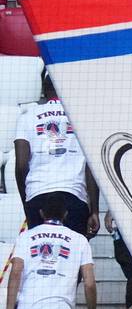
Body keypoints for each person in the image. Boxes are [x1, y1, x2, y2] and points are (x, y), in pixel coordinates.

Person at [15, 74, 99, 240]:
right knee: (72, 258)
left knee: (39, 259)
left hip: (38, 195)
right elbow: (92, 166)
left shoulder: (27, 117)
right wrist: (94, 210)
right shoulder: (83, 115)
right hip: (74, 196)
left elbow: (21, 165)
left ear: (44, 91)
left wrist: (27, 201)